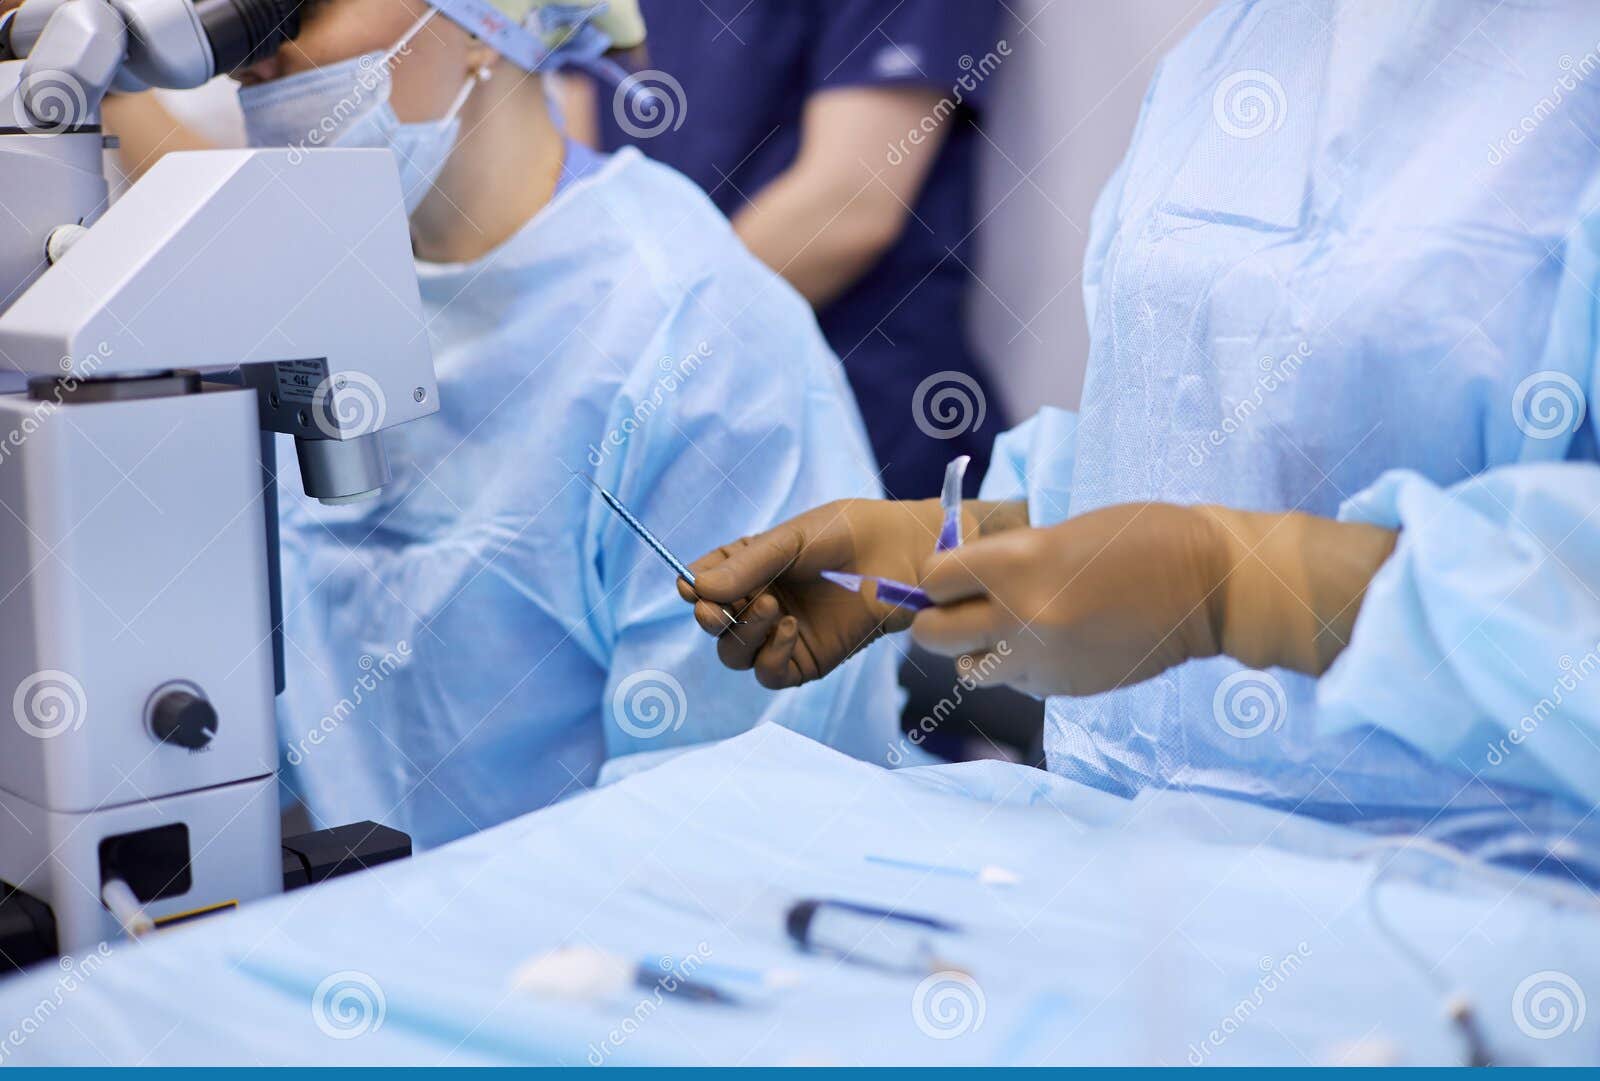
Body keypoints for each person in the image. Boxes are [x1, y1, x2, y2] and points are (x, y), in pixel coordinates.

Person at [679, 0, 1600, 865]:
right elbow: (1194, 445)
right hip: (1128, 866)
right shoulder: (1239, 50)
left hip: (1480, 904)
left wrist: (1237, 586)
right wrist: (941, 550)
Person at [205, 0, 902, 848]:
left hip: (608, 944)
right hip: (364, 919)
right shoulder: (298, 292)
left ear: (483, 20)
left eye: (305, 4)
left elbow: (740, 808)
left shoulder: (690, 328)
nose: (253, 53)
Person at [563, 0, 1009, 503]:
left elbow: (847, 206)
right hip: (651, 422)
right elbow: (576, 188)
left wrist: (631, 353)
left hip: (862, 418)